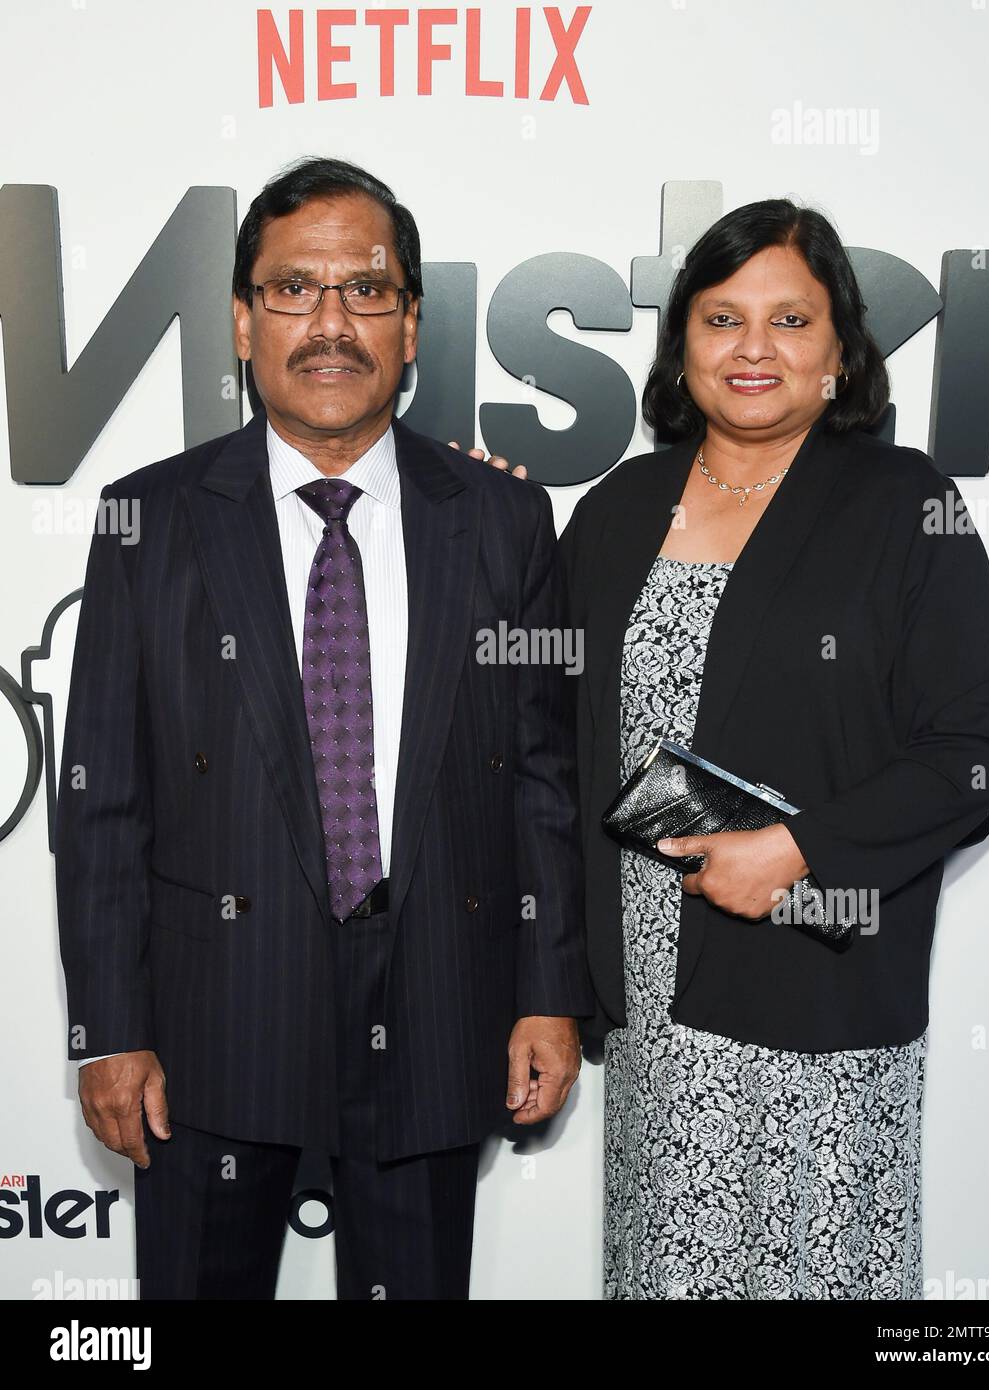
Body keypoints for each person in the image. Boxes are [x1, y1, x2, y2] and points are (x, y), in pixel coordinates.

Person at [54, 155, 592, 1301]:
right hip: (212, 1021)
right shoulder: (147, 520)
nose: (332, 324)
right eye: (295, 290)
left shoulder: (501, 518)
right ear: (243, 321)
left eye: (367, 290)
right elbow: (102, 803)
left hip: (440, 1002)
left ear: (411, 324)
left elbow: (541, 776)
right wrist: (107, 1028)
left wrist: (548, 993)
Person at [549, 198, 989, 1299]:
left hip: (818, 982)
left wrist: (801, 850)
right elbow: (550, 743)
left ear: (838, 351)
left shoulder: (903, 502)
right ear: (682, 346)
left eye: (789, 320)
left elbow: (970, 751)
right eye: (722, 319)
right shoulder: (617, 510)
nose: (753, 348)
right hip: (651, 1011)